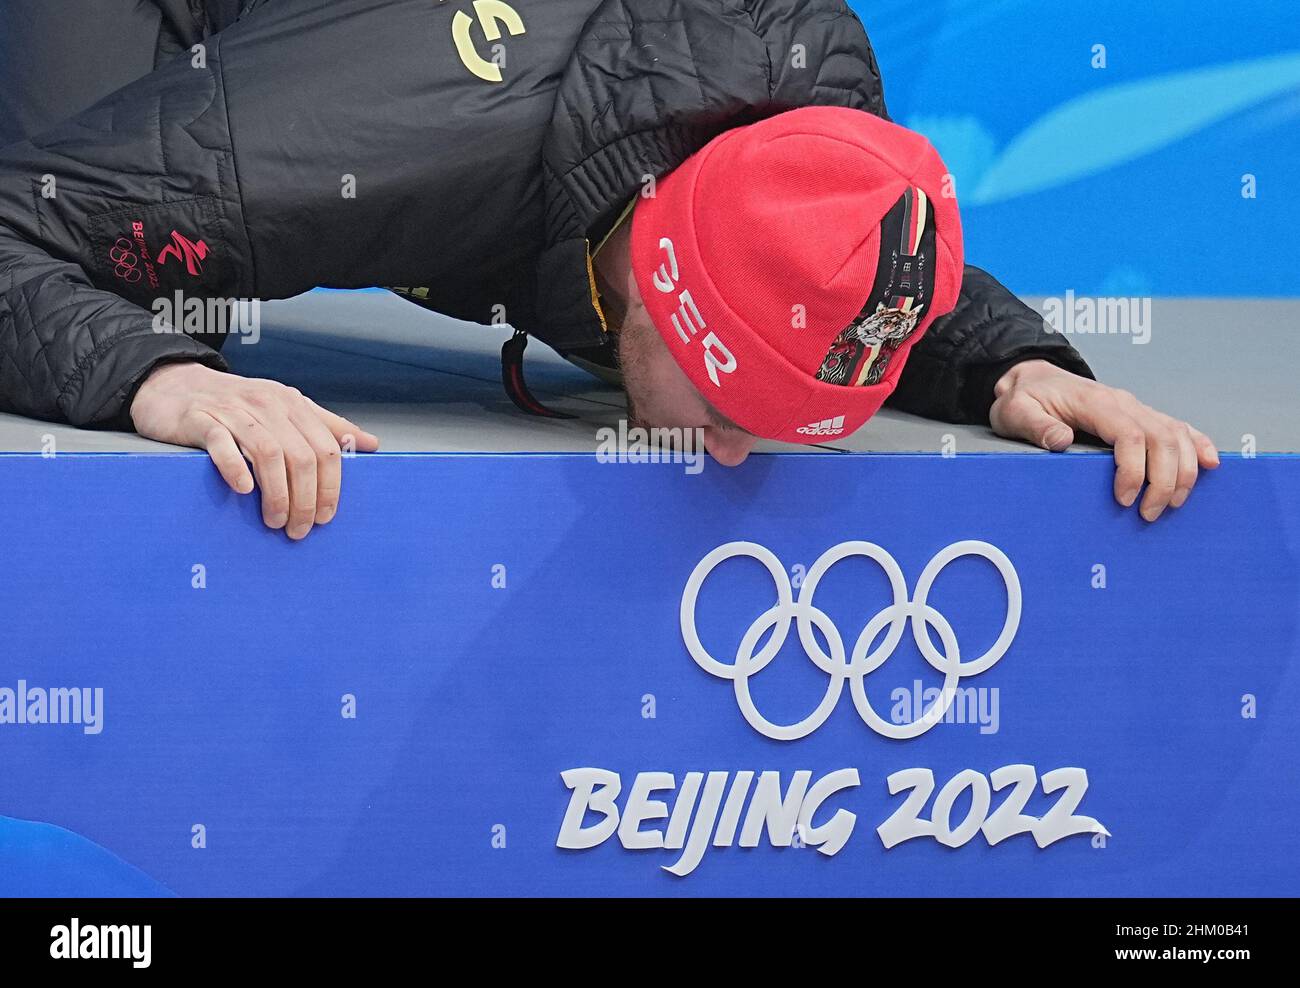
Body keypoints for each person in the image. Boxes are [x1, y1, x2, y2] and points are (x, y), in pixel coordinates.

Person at [0, 0, 1217, 540]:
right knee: (105, 268)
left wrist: (1003, 358)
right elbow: (12, 229)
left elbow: (823, 255)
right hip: (267, 62)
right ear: (657, 283)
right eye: (734, 404)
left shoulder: (795, 88)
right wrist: (147, 371)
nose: (738, 454)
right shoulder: (365, 150)